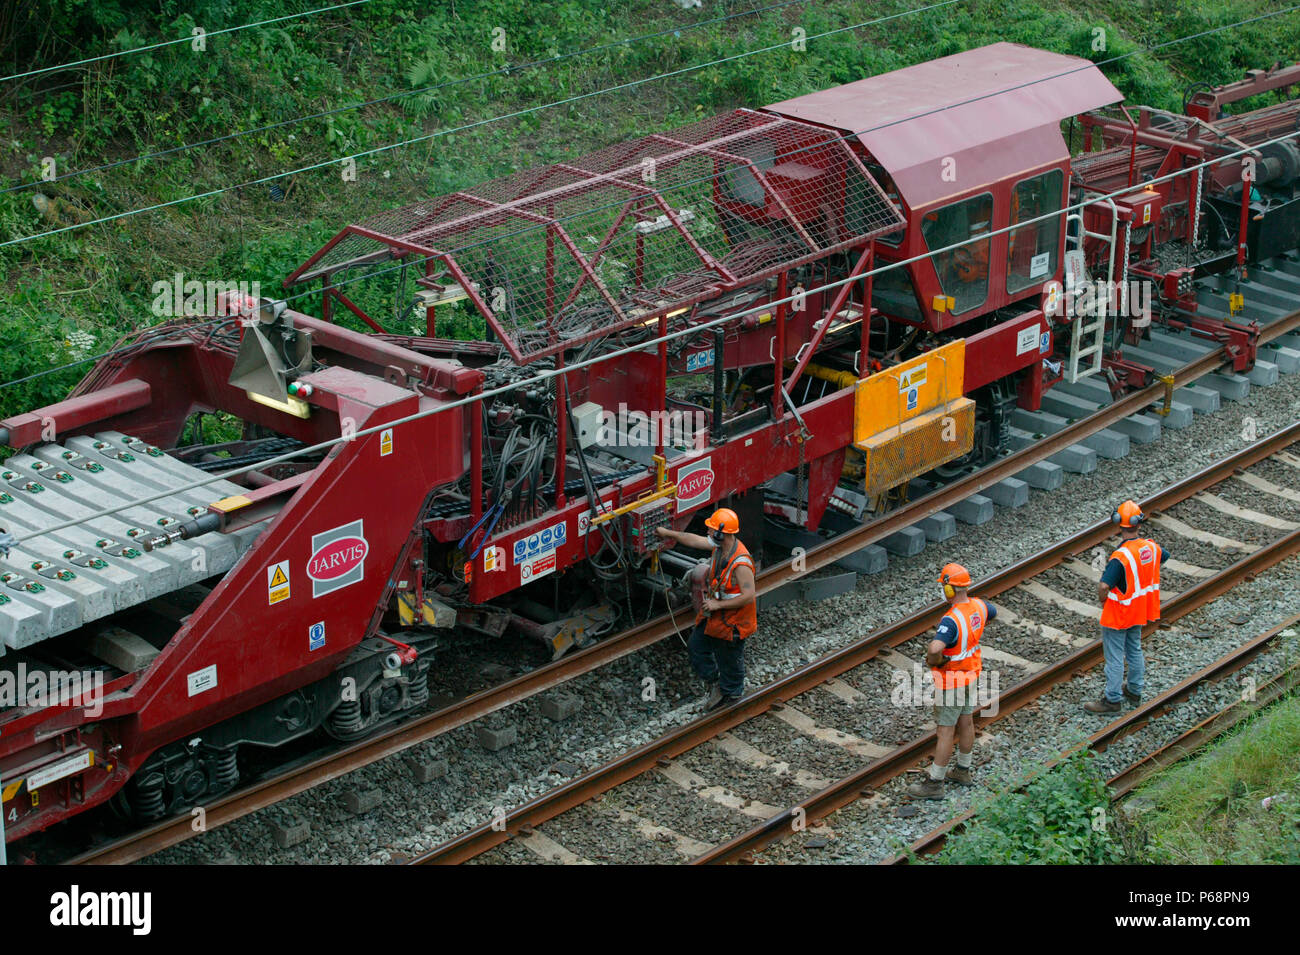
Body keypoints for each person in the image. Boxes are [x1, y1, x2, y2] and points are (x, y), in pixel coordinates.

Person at [907, 563, 996, 800]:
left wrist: (934, 661)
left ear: (949, 589)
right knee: (966, 721)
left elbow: (935, 646)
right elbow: (992, 612)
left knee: (945, 731)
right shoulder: (979, 605)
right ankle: (963, 771)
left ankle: (935, 783)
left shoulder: (951, 619)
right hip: (972, 674)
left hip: (953, 681)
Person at [655, 507, 756, 711]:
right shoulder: (719, 547)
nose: (708, 533)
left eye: (711, 530)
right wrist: (668, 534)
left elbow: (748, 596)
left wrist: (718, 604)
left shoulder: (741, 563)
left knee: (729, 657)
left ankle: (732, 695)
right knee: (696, 647)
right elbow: (693, 540)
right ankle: (716, 683)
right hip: (716, 617)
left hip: (734, 623)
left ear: (721, 533)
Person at [1085, 500, 1167, 713]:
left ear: (1118, 524)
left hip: (1119, 614)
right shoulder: (1150, 547)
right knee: (1134, 649)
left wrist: (1103, 599)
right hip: (1139, 610)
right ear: (1138, 524)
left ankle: (1112, 700)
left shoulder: (1120, 557)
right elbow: (1162, 556)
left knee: (1114, 657)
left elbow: (1104, 585)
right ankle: (1134, 690)